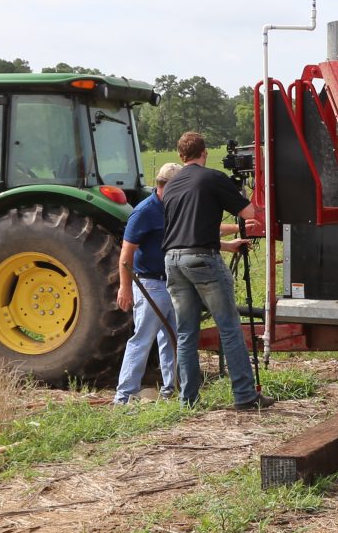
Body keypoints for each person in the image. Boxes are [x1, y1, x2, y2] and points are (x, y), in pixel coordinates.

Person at [161, 131, 270, 410]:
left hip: (173, 261)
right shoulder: (212, 178)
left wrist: (226, 245)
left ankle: (188, 399)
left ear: (180, 156)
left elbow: (184, 231)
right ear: (204, 153)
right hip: (202, 261)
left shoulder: (171, 186)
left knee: (186, 332)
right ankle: (245, 395)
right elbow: (248, 215)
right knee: (229, 327)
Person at [113, 162, 181, 405]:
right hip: (150, 285)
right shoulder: (145, 211)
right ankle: (124, 397)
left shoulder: (173, 207)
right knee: (142, 339)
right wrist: (125, 287)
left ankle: (170, 389)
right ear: (166, 186)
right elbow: (126, 253)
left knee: (172, 338)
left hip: (173, 283)